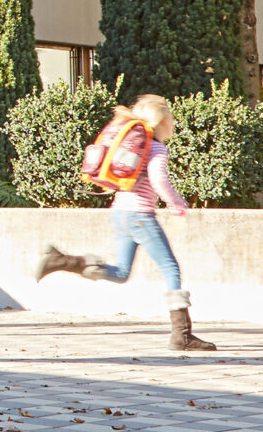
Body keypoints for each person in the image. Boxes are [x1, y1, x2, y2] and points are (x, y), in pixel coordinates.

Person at [34, 93, 218, 351]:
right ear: (162, 122)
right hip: (140, 216)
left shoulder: (140, 145)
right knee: (171, 269)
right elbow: (159, 181)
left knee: (121, 273)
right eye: (171, 119)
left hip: (120, 213)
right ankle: (182, 335)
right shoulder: (155, 148)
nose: (174, 124)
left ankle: (62, 261)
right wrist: (175, 202)